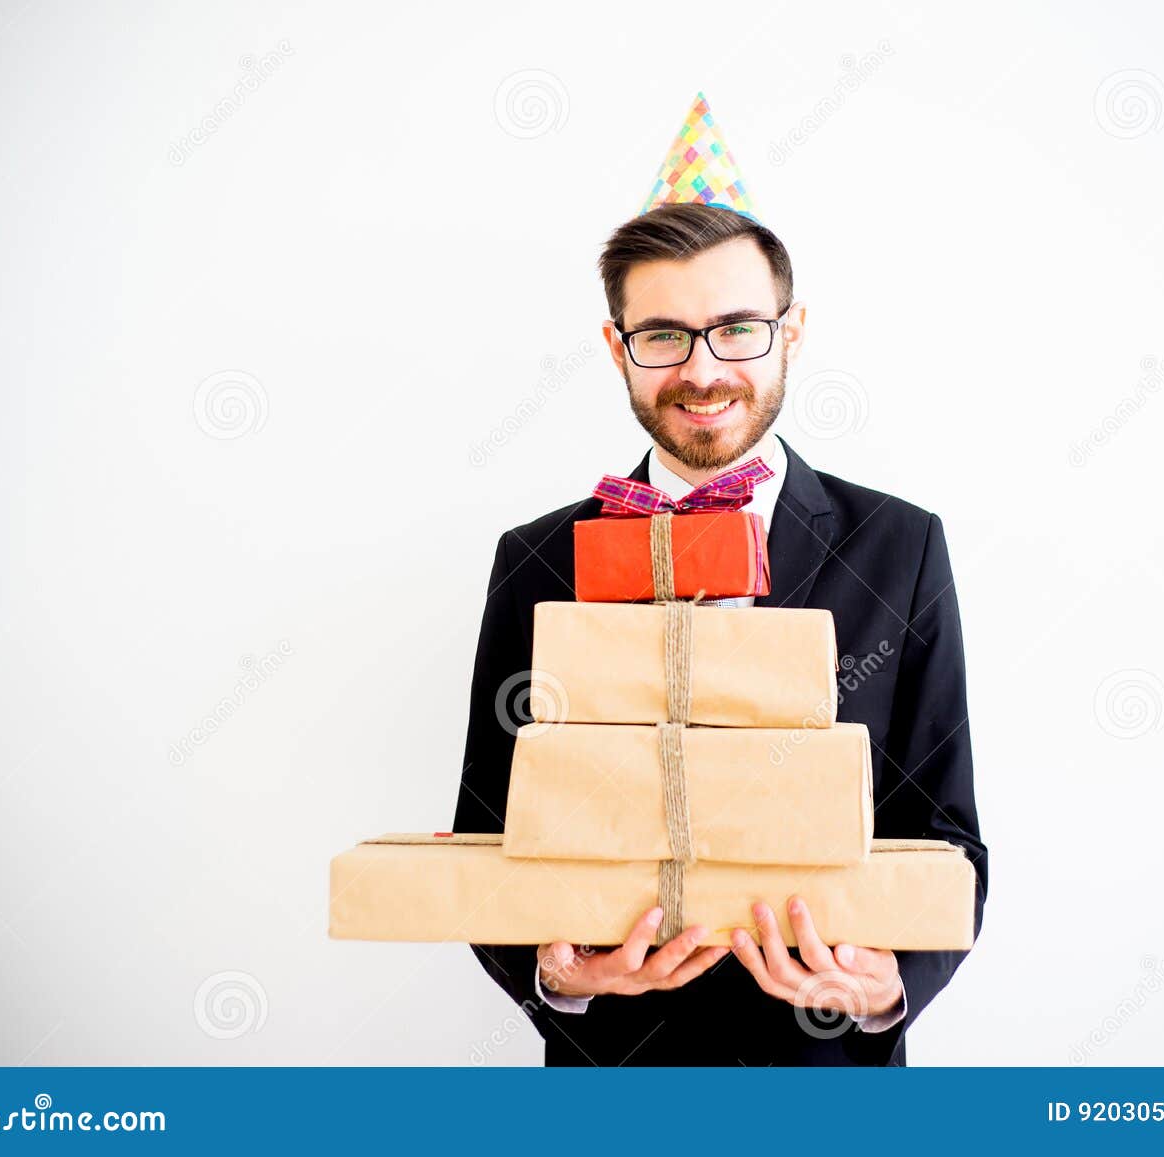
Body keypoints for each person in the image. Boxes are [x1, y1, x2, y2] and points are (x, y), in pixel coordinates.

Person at [450, 96, 986, 1066]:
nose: (702, 369)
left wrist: (886, 985)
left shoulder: (901, 546)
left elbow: (947, 833)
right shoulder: (535, 559)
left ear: (791, 330)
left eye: (736, 328)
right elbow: (488, 829)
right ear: (618, 347)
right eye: (663, 335)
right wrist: (556, 973)